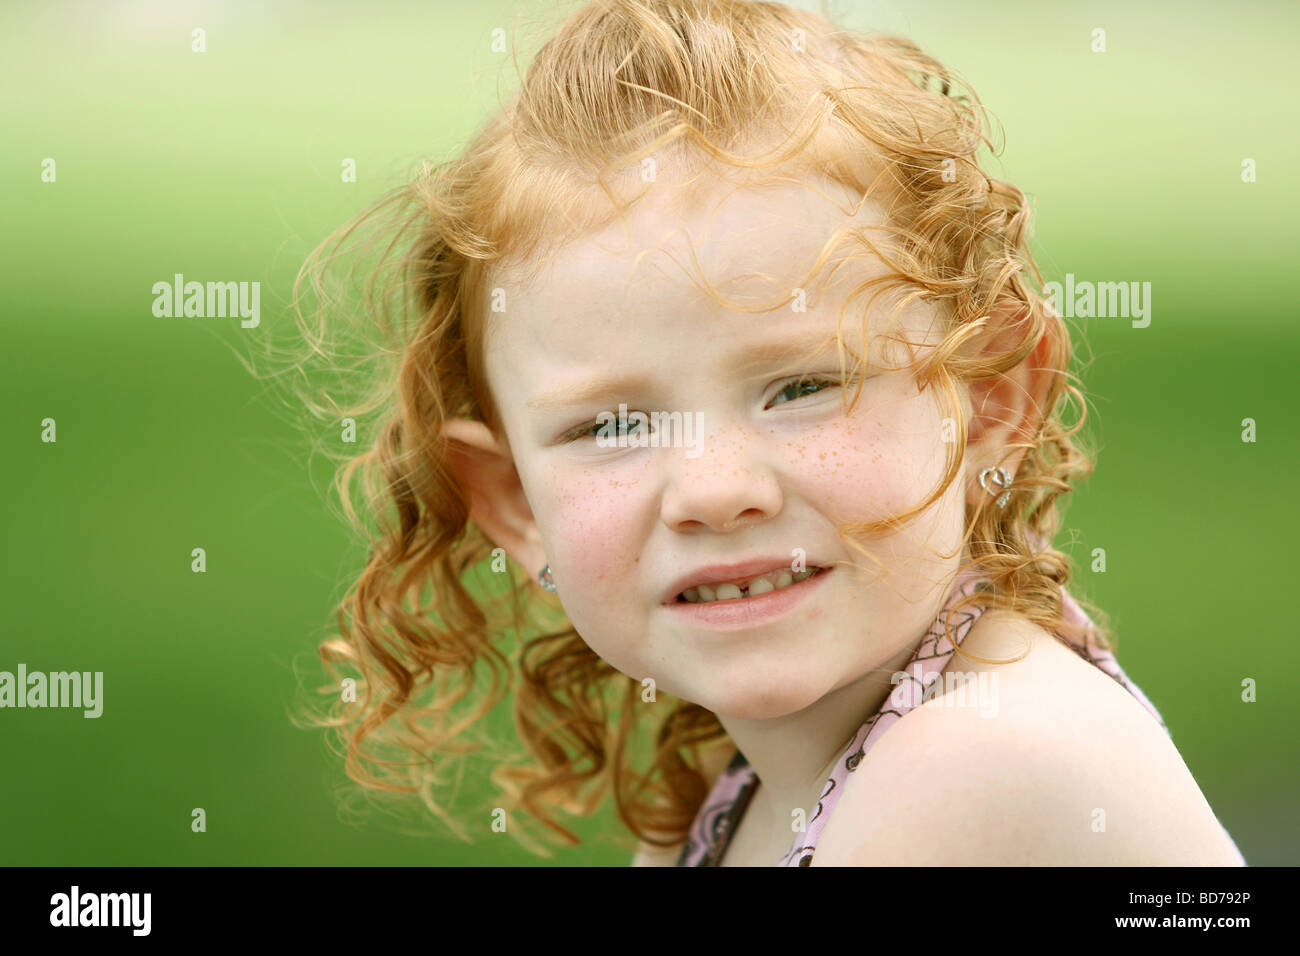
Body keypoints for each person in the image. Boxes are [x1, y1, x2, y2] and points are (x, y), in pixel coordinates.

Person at [289, 0, 1246, 866]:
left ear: (989, 397)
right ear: (513, 505)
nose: (712, 488)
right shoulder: (730, 799)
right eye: (614, 424)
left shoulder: (976, 762)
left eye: (801, 387)